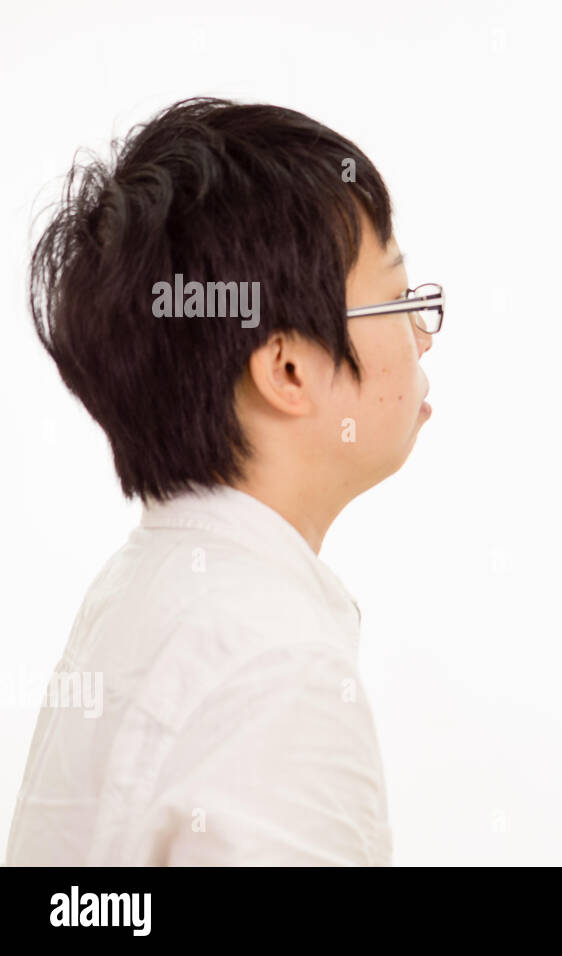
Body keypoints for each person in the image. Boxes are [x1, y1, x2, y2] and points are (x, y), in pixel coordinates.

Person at [6, 97, 439, 865]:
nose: (421, 334)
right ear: (289, 368)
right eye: (400, 298)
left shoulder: (139, 589)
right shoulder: (279, 672)